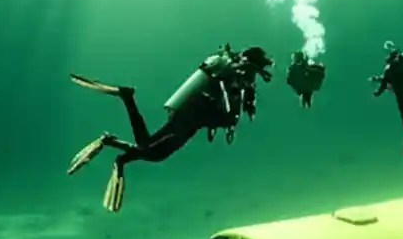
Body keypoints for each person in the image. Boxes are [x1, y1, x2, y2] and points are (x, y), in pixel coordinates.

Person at [67, 45, 273, 212]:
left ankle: (117, 146)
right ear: (251, 64)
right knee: (151, 151)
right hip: (189, 119)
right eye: (257, 69)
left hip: (189, 117)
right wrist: (232, 114)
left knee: (150, 149)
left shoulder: (231, 71)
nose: (255, 75)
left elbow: (228, 102)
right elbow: (228, 109)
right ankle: (123, 111)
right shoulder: (234, 72)